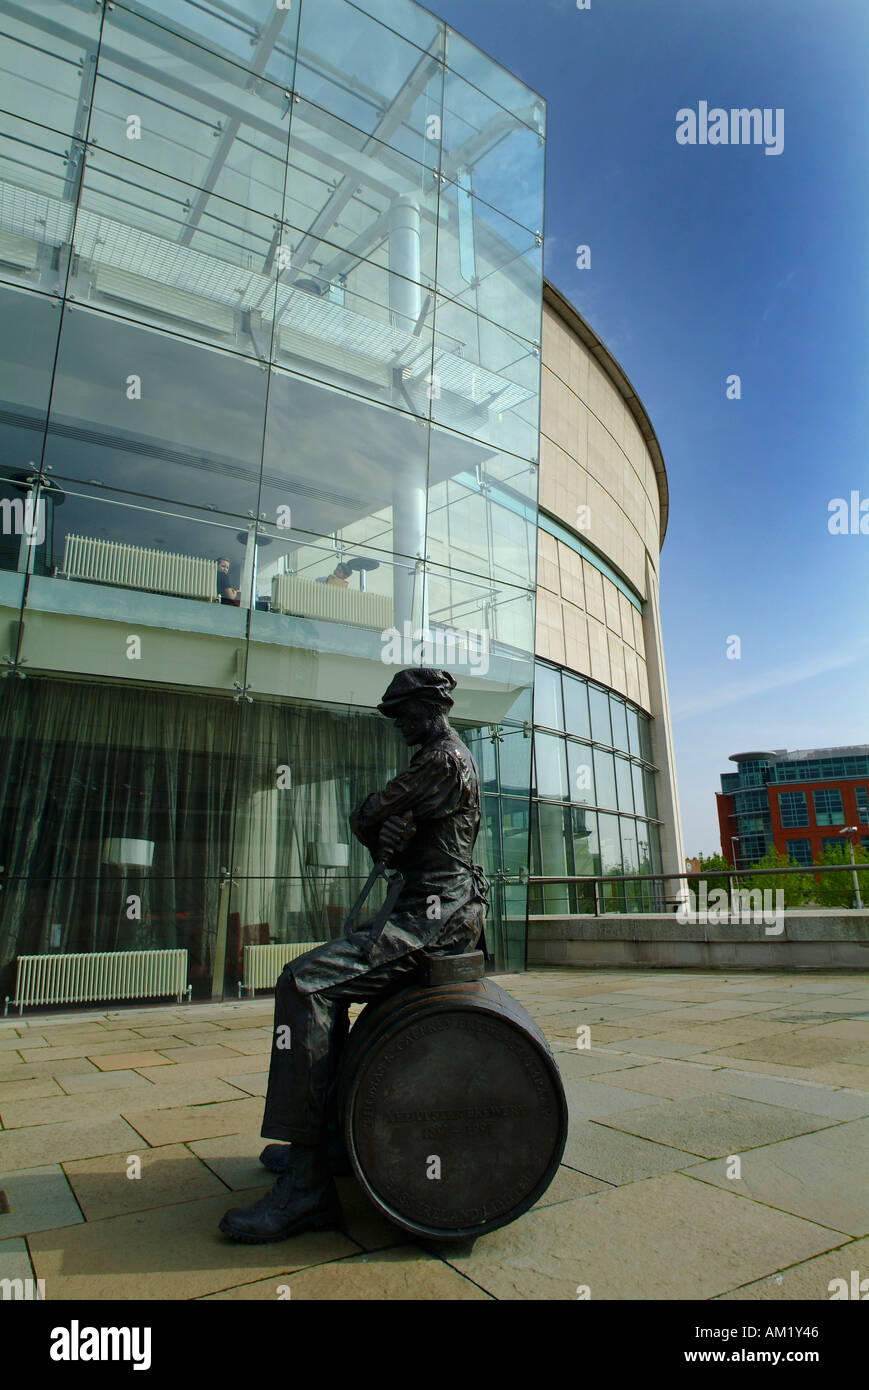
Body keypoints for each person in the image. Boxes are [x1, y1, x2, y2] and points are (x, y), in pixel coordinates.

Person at [219, 667, 490, 1243]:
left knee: (304, 985)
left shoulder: (441, 760)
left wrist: (383, 824)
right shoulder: (445, 758)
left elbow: (367, 812)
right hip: (429, 908)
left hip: (432, 923)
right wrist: (398, 831)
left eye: (401, 715)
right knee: (320, 983)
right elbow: (393, 823)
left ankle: (307, 1185)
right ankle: (329, 1144)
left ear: (427, 709)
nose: (396, 726)